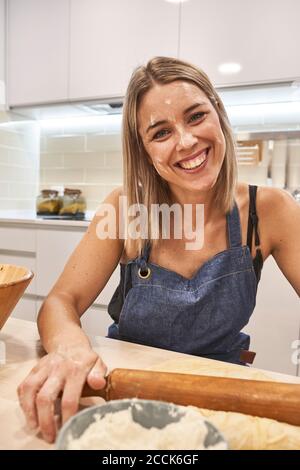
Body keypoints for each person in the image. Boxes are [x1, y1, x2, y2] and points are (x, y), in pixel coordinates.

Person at [17, 57, 300, 443]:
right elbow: (60, 302)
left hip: (224, 392)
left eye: (196, 116)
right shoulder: (125, 209)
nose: (186, 141)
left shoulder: (271, 210)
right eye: (161, 132)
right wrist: (69, 350)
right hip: (127, 392)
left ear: (218, 113)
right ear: (145, 150)